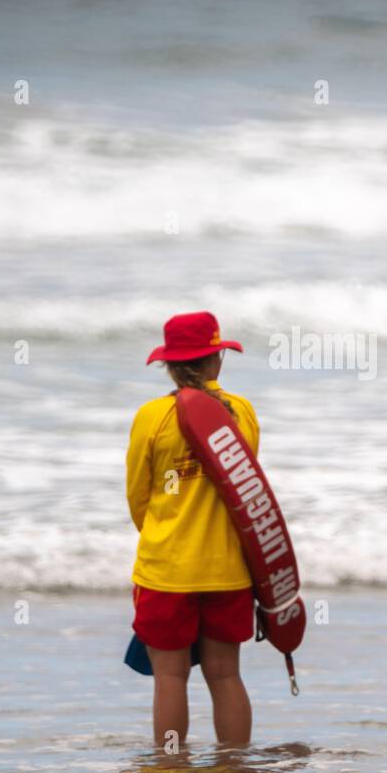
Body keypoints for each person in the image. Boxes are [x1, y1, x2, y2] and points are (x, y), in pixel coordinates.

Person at [126, 311, 258, 747]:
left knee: (169, 678)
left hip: (168, 571)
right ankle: (237, 770)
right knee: (226, 676)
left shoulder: (152, 417)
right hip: (228, 569)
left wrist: (169, 532)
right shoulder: (241, 413)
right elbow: (247, 488)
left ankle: (169, 770)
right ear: (217, 360)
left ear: (168, 363)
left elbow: (138, 498)